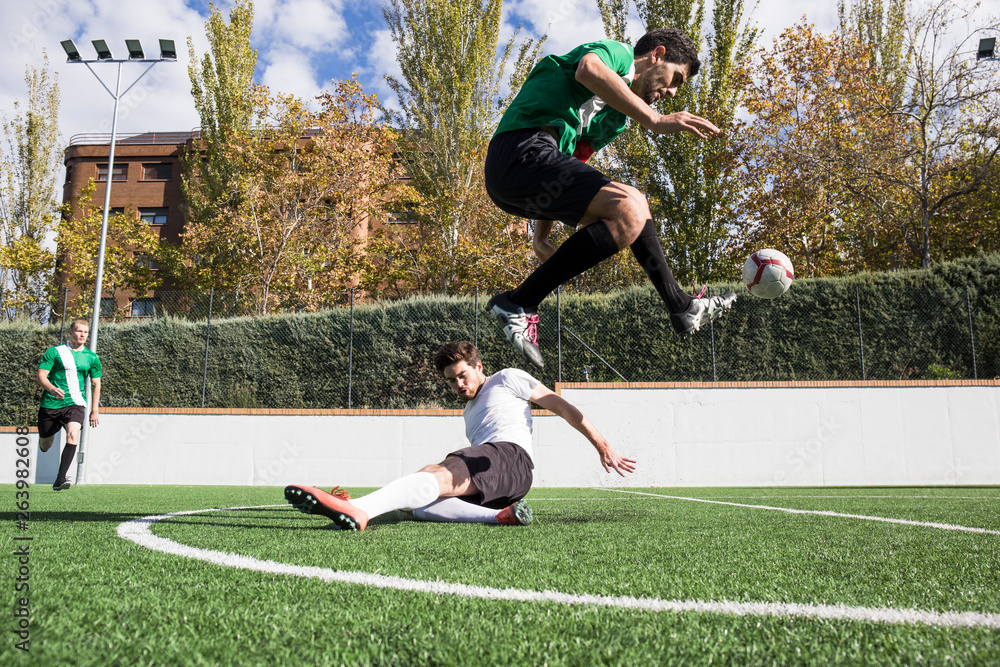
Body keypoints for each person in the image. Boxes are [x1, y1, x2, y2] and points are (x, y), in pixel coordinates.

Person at [484, 27, 737, 368]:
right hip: (518, 151)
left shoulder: (616, 118)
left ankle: (681, 306)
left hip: (527, 182)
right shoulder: (618, 54)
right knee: (628, 204)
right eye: (675, 78)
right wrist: (656, 120)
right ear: (656, 55)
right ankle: (519, 302)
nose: (673, 92)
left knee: (632, 208)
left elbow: (570, 164)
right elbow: (588, 69)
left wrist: (540, 236)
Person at [285, 340, 635, 530]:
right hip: (500, 480)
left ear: (479, 367)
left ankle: (359, 509)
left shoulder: (506, 378)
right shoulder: (468, 411)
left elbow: (560, 406)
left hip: (508, 457)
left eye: (463, 375)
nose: (459, 383)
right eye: (452, 379)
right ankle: (500, 516)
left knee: (435, 475)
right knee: (417, 499)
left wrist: (603, 446)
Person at [36, 318, 102, 491]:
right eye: (79, 331)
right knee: (46, 445)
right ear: (71, 332)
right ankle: (49, 432)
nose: (82, 335)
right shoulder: (55, 352)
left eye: (85, 332)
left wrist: (94, 410)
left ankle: (60, 478)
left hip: (75, 403)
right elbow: (41, 375)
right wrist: (51, 388)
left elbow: (96, 384)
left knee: (73, 434)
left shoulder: (92, 357)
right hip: (51, 404)